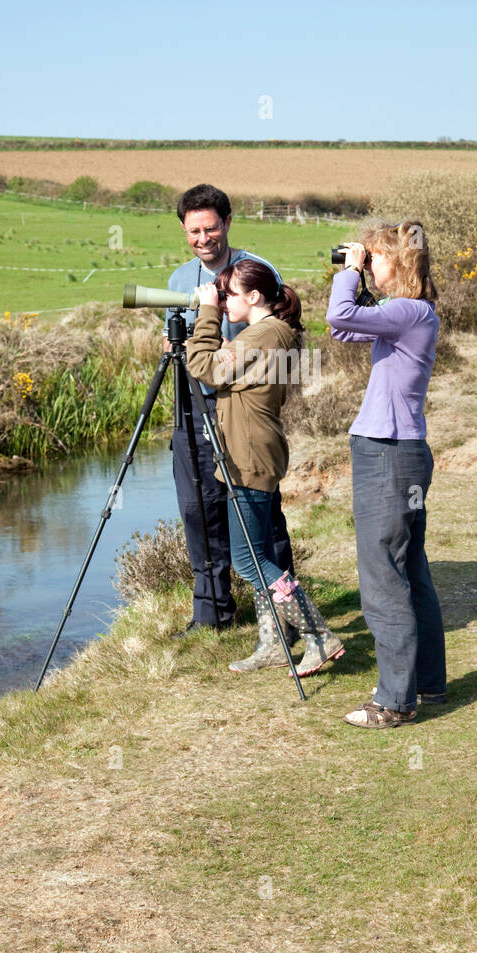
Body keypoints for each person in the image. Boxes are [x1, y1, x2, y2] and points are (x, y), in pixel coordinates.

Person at [186, 259, 345, 676]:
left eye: (228, 294)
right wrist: (214, 332)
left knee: (249, 561)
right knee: (257, 554)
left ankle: (317, 635)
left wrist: (205, 316)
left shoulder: (266, 332)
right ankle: (274, 643)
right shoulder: (270, 334)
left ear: (254, 297)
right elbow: (232, 370)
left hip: (250, 455)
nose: (222, 301)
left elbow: (206, 370)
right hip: (251, 450)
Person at [326, 221, 447, 728]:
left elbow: (338, 312)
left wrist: (351, 271)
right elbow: (341, 328)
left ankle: (394, 701)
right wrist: (356, 274)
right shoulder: (410, 314)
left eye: (376, 257)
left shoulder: (407, 310)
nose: (368, 264)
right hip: (404, 453)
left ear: (402, 261)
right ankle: (427, 682)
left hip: (387, 455)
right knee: (410, 570)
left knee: (382, 579)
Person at [164, 185, 296, 636]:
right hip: (194, 410)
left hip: (242, 416)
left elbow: (280, 350)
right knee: (198, 511)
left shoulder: (255, 271)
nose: (203, 238)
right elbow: (183, 349)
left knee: (260, 516)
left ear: (228, 223)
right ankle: (213, 613)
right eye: (194, 230)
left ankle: (284, 617)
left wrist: (218, 348)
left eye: (211, 228)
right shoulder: (178, 281)